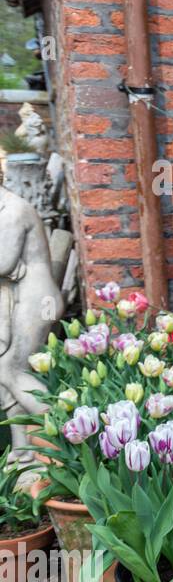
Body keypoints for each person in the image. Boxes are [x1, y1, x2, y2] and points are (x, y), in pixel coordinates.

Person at [0, 184, 62, 457]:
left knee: (12, 371)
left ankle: (64, 433)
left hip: (38, 302)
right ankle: (24, 450)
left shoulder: (13, 211)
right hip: (24, 298)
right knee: (7, 372)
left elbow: (3, 262)